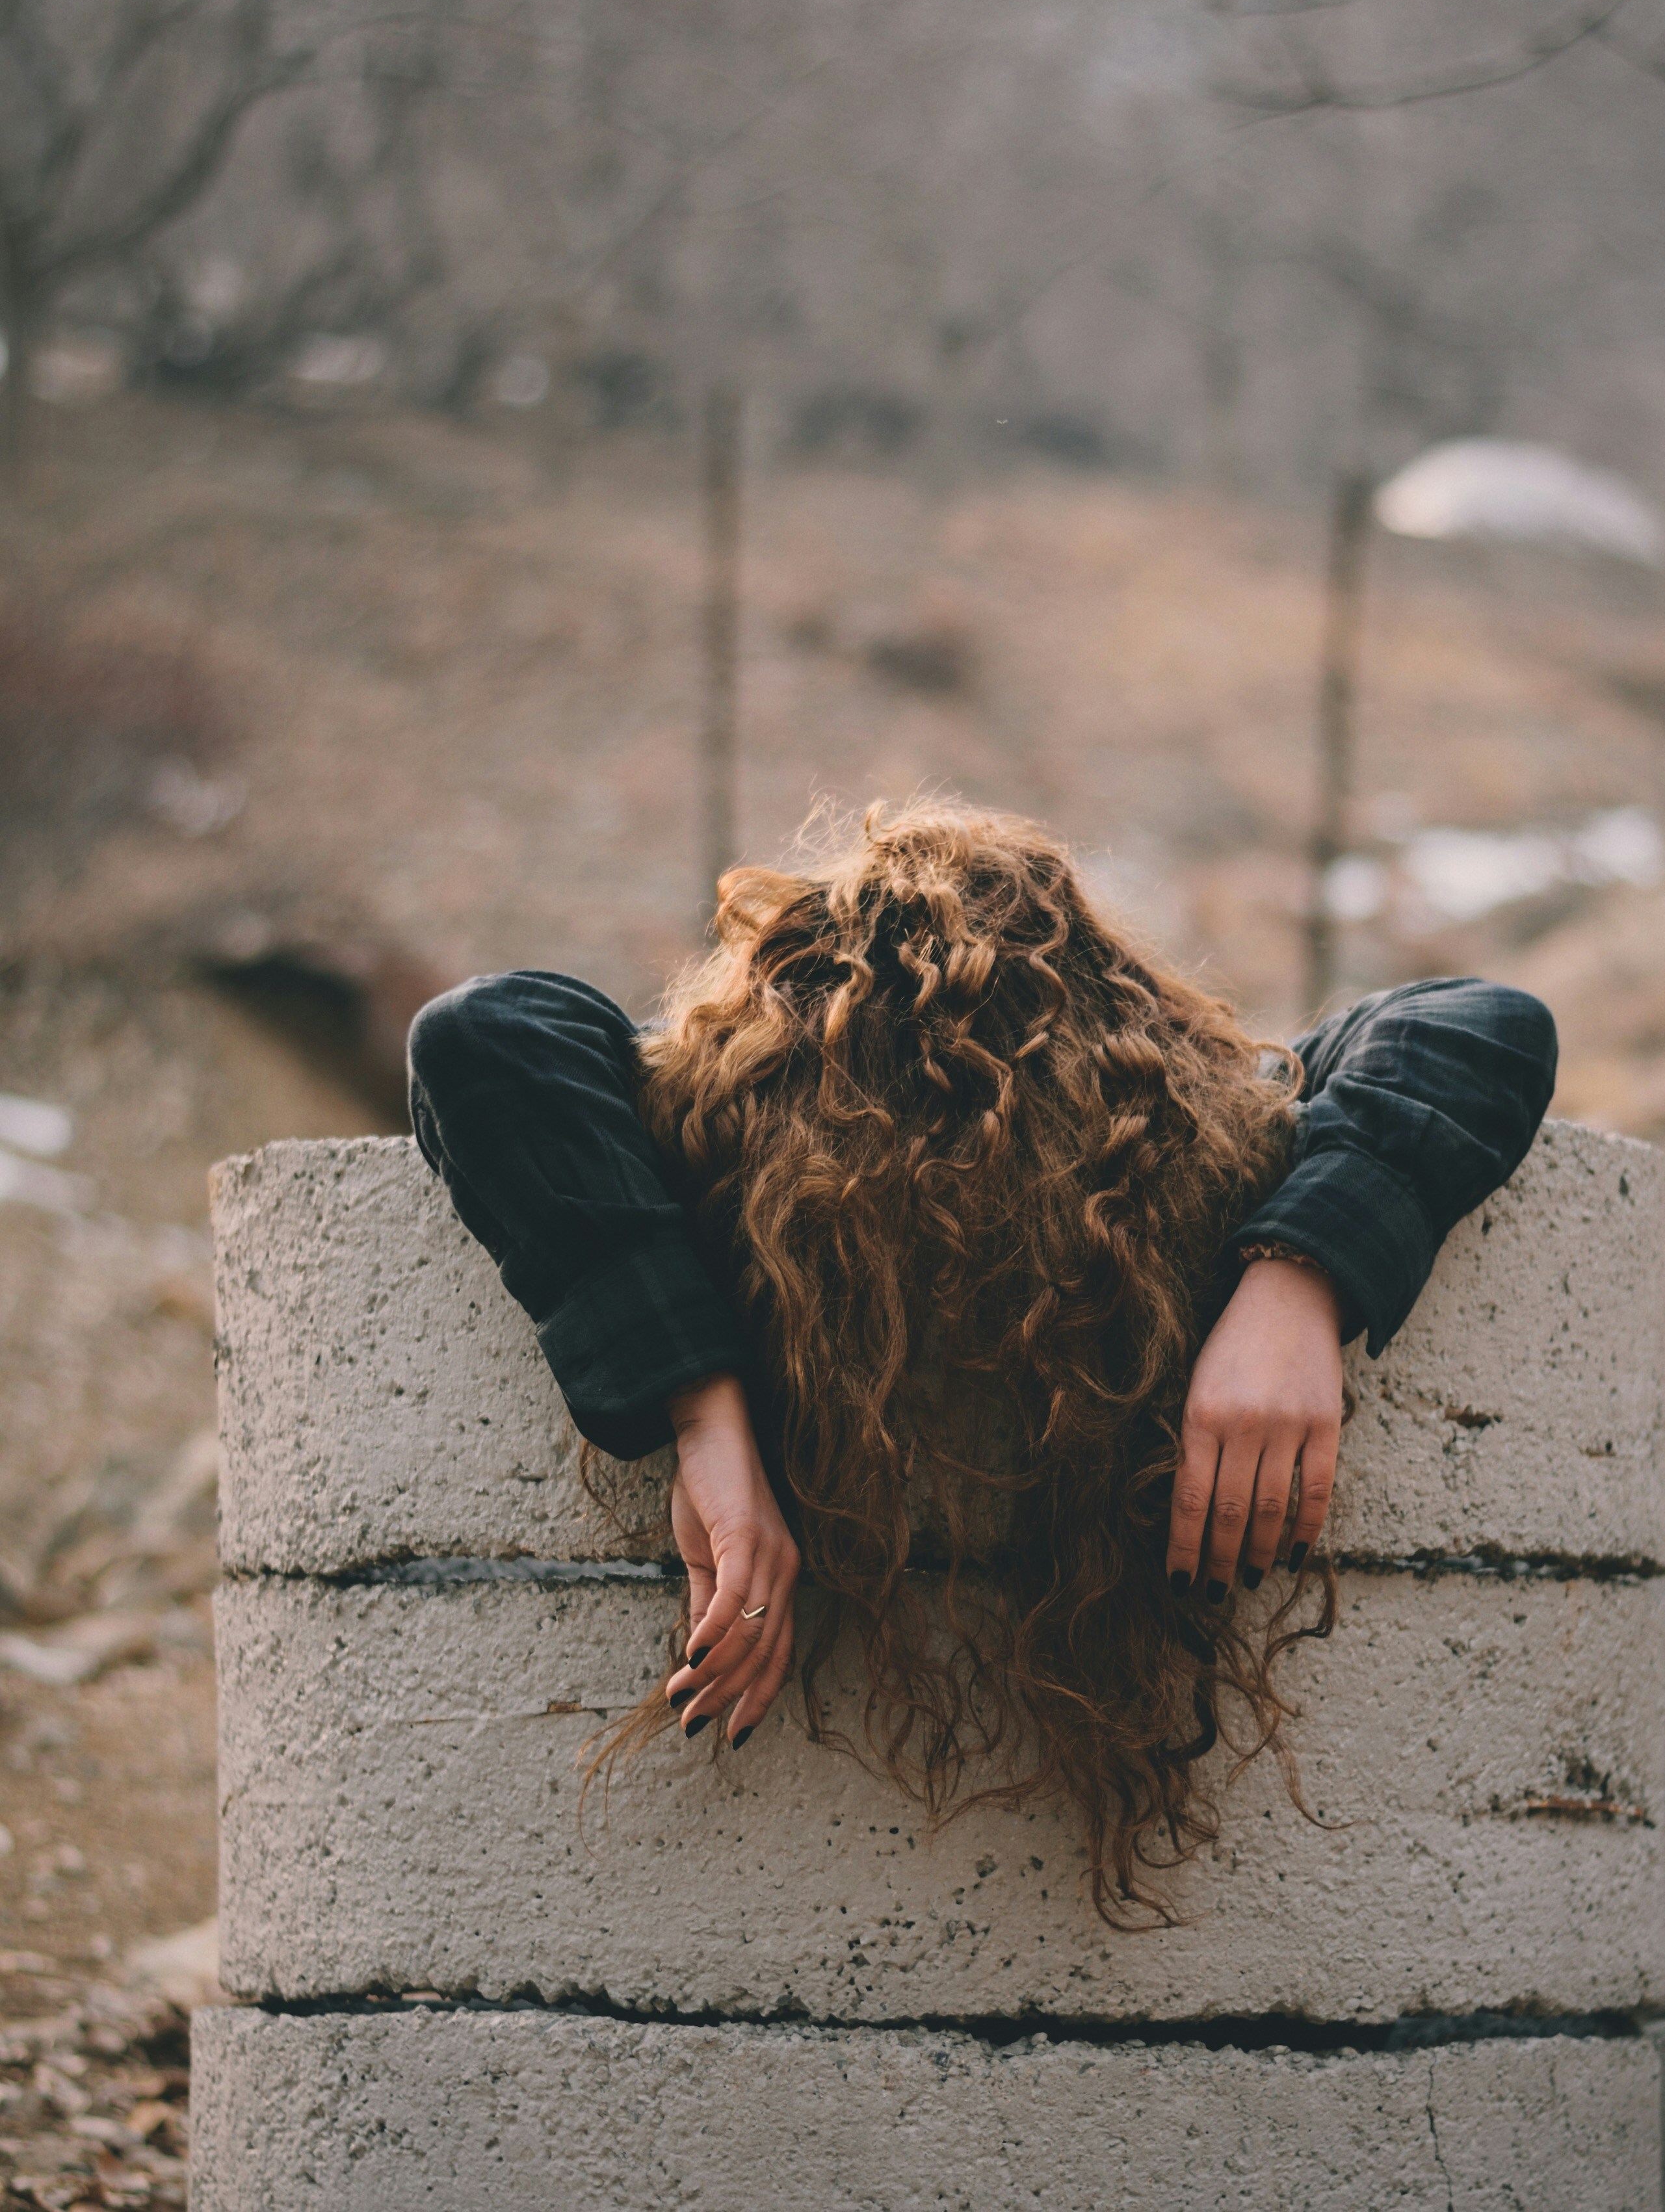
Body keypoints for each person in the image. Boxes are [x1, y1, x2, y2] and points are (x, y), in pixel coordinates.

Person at [408, 799, 1556, 1919]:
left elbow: (1486, 1026)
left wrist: (1295, 1277)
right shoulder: (1199, 1145)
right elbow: (1481, 1022)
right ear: (1119, 1018)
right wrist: (704, 1419)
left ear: (783, 1032)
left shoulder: (709, 1146)